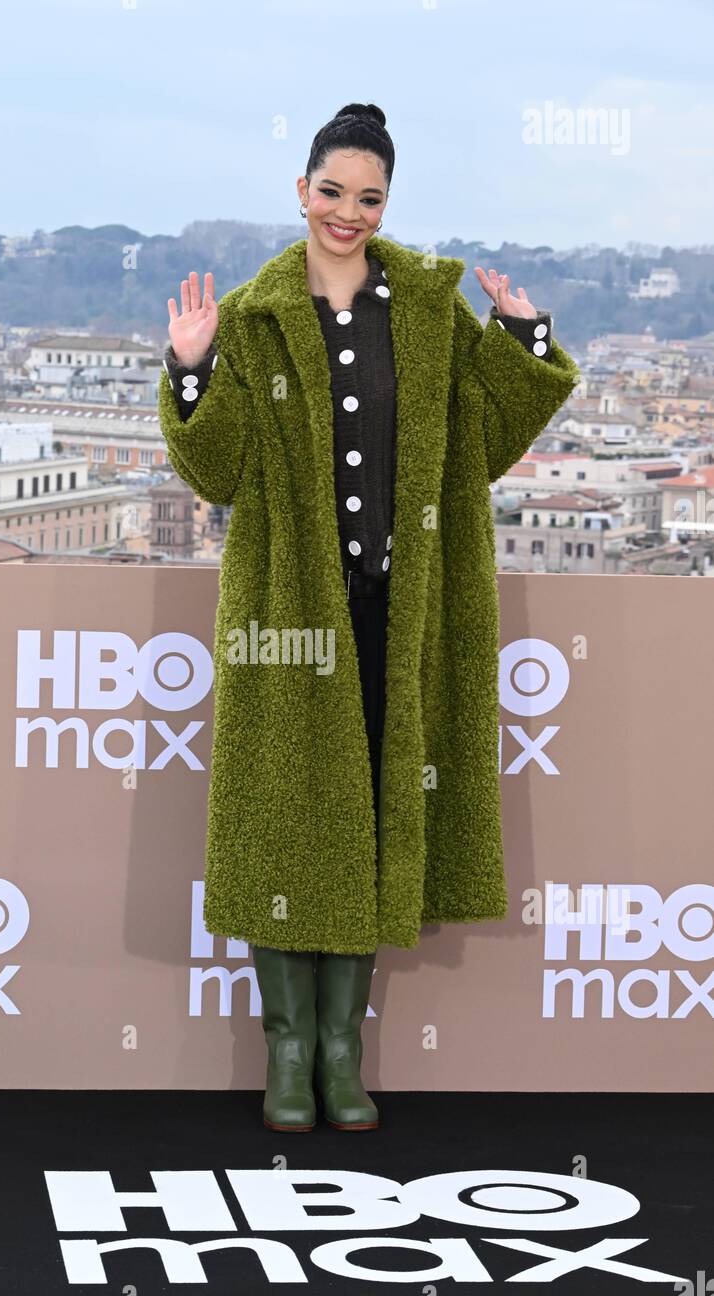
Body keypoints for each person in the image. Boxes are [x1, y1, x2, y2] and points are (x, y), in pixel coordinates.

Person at [159, 103, 579, 1134]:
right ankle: (286, 1049)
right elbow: (214, 471)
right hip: (286, 612)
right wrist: (190, 368)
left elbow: (477, 439)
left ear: (384, 205)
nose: (347, 211)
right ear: (300, 193)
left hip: (401, 607)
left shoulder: (429, 310)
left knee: (368, 820)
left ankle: (341, 1050)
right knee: (278, 823)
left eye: (368, 197)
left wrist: (521, 337)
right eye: (332, 191)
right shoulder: (254, 317)